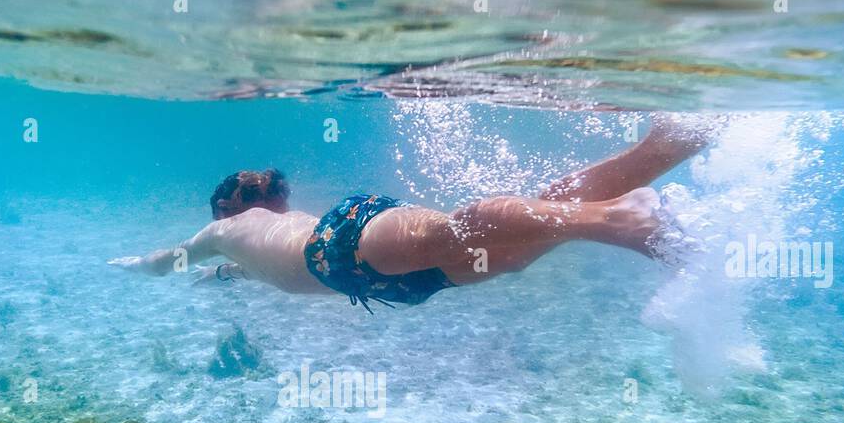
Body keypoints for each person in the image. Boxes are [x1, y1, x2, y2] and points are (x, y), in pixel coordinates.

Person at [108, 117, 716, 311]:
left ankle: (620, 224)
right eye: (250, 184)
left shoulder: (220, 232)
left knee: (453, 231)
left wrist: (137, 264)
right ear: (228, 202)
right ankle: (658, 151)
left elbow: (171, 260)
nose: (264, 187)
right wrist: (205, 276)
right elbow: (223, 270)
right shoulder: (234, 240)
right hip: (374, 279)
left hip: (340, 246)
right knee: (518, 248)